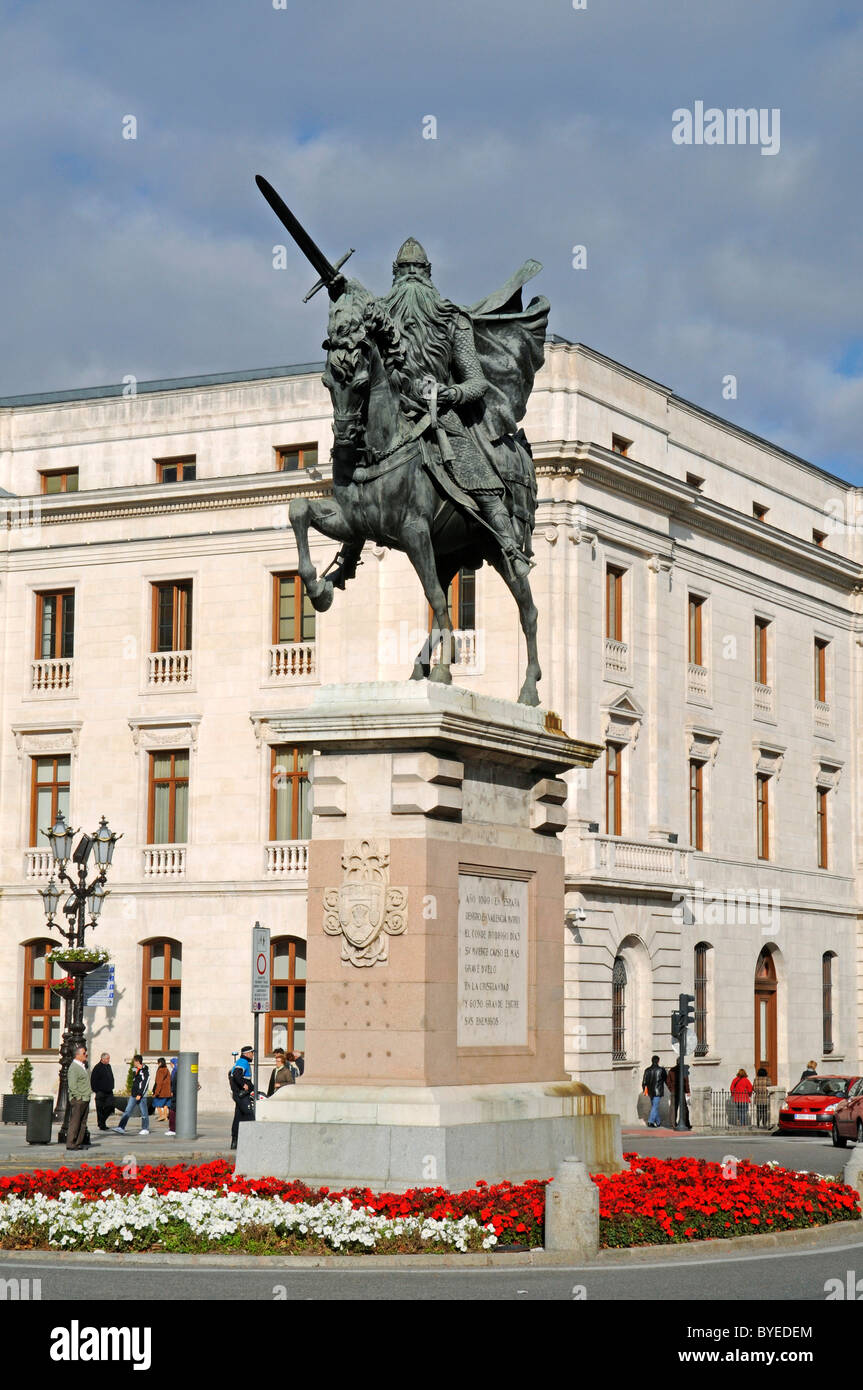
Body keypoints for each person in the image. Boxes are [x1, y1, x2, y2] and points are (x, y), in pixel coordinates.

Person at [113, 1055, 150, 1136]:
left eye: (134, 1061)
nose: (133, 1063)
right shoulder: (136, 1070)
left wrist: (140, 1094)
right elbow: (135, 1081)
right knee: (127, 1110)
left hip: (141, 1095)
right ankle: (121, 1127)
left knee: (144, 1112)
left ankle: (145, 1128)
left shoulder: (145, 1071)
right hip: (133, 1095)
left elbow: (145, 1083)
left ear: (137, 1061)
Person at [66, 1044, 92, 1151]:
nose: (86, 1055)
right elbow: (72, 1085)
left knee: (82, 1122)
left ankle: (78, 1143)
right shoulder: (74, 1067)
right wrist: (78, 1097)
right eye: (84, 1053)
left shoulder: (82, 1065)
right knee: (75, 1122)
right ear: (77, 1055)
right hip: (79, 1099)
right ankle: (71, 1143)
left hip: (85, 1098)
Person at [229, 1049, 255, 1150]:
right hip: (241, 1095)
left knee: (238, 1116)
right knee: (249, 1114)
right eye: (252, 1053)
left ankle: (235, 1141)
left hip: (239, 1094)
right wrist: (244, 1085)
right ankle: (249, 1140)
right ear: (247, 1054)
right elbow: (236, 1074)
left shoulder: (241, 1062)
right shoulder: (243, 1062)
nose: (253, 1055)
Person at [90, 1051, 115, 1131]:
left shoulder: (109, 1066)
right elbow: (93, 1080)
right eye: (107, 1058)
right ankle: (102, 1124)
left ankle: (102, 1121)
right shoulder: (97, 1067)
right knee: (100, 1109)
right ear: (102, 1059)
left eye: (109, 1058)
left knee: (110, 1106)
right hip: (100, 1092)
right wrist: (96, 1090)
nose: (108, 1060)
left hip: (109, 1091)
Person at [641, 1054, 667, 1128]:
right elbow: (666, 1079)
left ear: (651, 1061)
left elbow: (644, 1082)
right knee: (655, 1107)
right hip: (658, 1091)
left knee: (654, 1106)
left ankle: (658, 1122)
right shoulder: (661, 1070)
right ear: (658, 1061)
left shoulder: (647, 1070)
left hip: (650, 1092)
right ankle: (650, 1122)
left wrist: (644, 1091)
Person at [667, 1062, 691, 1128]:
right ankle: (686, 1123)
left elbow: (668, 1081)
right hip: (681, 1091)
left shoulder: (672, 1070)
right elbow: (686, 1081)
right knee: (684, 1107)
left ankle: (673, 1124)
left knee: (673, 1108)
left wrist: (671, 1089)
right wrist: (688, 1091)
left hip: (674, 1091)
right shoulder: (683, 1070)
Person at [165, 1058, 178, 1136]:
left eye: (171, 1063)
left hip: (175, 1095)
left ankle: (172, 1129)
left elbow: (173, 1083)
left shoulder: (175, 1072)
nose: (170, 1065)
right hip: (177, 1094)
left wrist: (172, 1091)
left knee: (172, 1111)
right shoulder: (178, 1070)